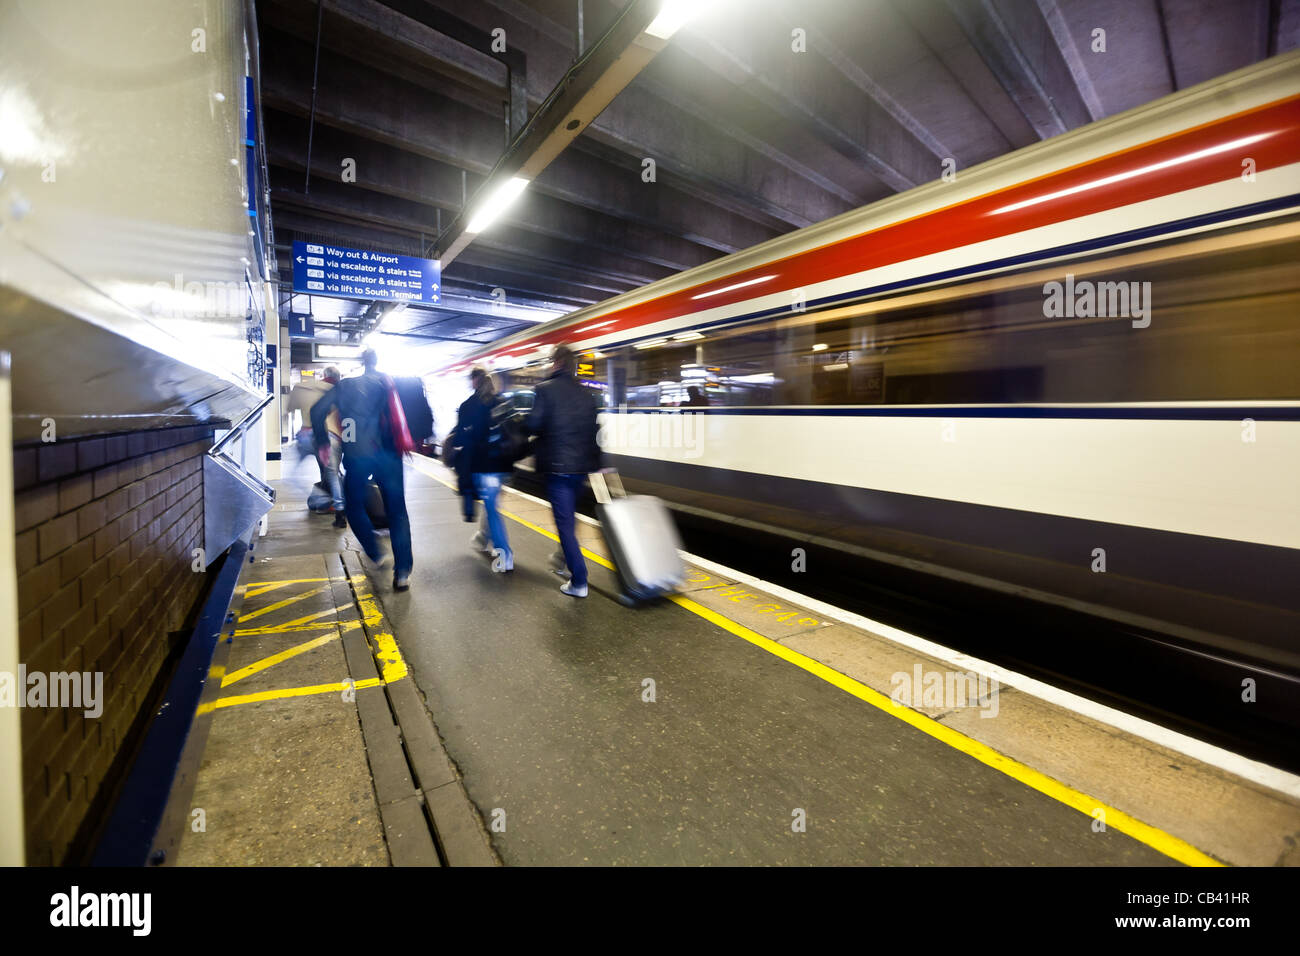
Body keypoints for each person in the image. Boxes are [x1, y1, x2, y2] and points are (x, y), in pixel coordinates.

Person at [311, 349, 414, 591]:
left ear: (361, 363)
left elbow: (317, 411)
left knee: (353, 504)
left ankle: (376, 552)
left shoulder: (345, 385)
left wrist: (323, 443)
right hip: (388, 454)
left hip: (358, 454)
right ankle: (402, 574)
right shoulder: (389, 382)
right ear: (377, 362)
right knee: (397, 511)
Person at [525, 344, 602, 597]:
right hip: (580, 468)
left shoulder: (545, 390)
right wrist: (597, 464)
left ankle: (579, 581)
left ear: (556, 363)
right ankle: (561, 559)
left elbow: (534, 424)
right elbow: (594, 433)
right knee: (569, 517)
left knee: (565, 524)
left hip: (557, 467)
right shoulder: (586, 394)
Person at [455, 368, 514, 572]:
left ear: (474, 381)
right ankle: (482, 539)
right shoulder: (502, 403)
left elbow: (460, 439)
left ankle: (505, 556)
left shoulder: (469, 406)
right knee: (491, 505)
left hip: (483, 466)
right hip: (502, 467)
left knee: (492, 510)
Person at [287, 367, 345, 525]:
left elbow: (289, 409)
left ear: (324, 375)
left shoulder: (301, 387)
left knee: (293, 475)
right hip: (331, 435)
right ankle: (339, 510)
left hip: (306, 435)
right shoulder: (337, 390)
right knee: (333, 474)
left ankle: (321, 499)